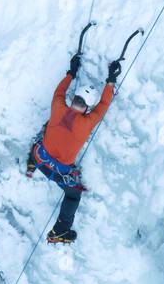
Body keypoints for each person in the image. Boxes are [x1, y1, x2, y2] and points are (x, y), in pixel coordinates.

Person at [25, 51, 121, 244]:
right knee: (73, 194)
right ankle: (60, 231)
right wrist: (110, 80)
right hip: (59, 172)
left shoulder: (58, 105)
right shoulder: (88, 122)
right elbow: (103, 104)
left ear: (74, 98)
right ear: (87, 108)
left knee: (47, 128)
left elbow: (59, 91)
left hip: (39, 157)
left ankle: (31, 164)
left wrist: (71, 72)